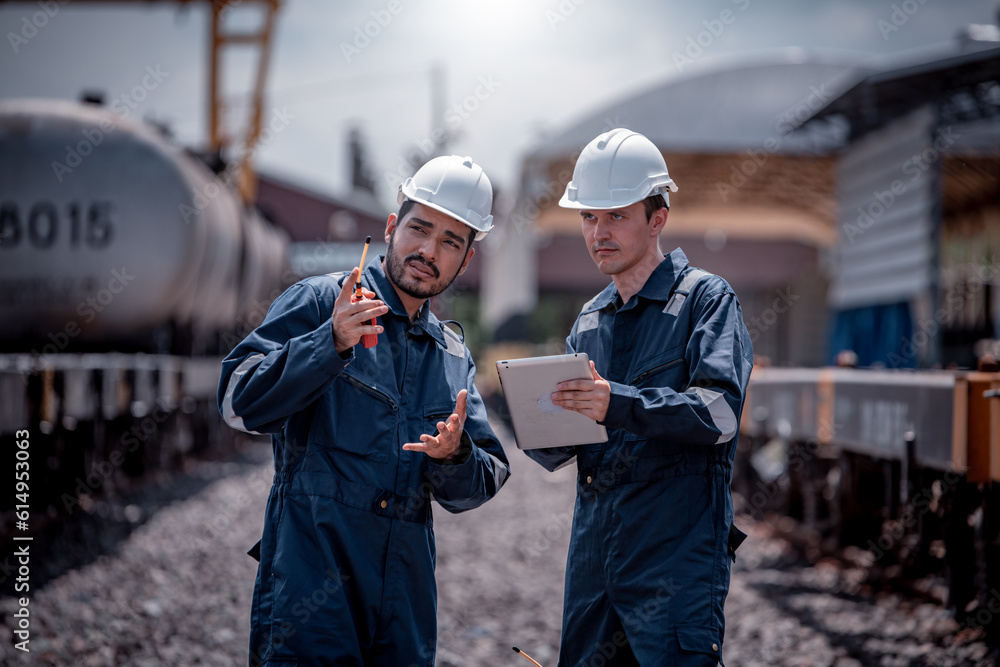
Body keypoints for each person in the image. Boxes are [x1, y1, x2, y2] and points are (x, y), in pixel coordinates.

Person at [218, 155, 511, 667]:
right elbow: (237, 404)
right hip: (312, 594)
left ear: (465, 262)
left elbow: (482, 482)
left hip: (405, 607)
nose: (428, 250)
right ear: (393, 227)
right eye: (420, 229)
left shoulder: (451, 355)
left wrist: (454, 455)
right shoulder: (320, 302)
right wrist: (327, 344)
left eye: (450, 242)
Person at [525, 128, 753, 666]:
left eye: (616, 216)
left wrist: (616, 403)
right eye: (588, 217)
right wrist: (539, 423)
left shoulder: (706, 299)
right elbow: (563, 448)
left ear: (658, 218)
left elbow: (719, 414)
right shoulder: (588, 321)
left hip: (674, 566)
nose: (598, 233)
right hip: (594, 568)